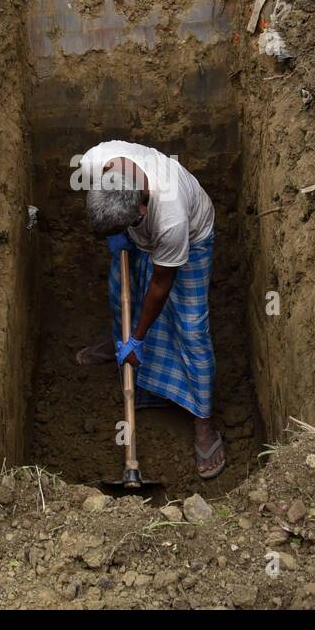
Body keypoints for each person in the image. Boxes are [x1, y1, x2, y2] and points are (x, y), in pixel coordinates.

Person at [77, 140, 226, 479]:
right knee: (120, 295)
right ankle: (119, 342)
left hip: (192, 235)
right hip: (139, 228)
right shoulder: (94, 162)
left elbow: (161, 286)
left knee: (190, 325)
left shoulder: (170, 218)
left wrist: (139, 338)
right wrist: (118, 237)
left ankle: (204, 421)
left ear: (141, 212)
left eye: (123, 226)